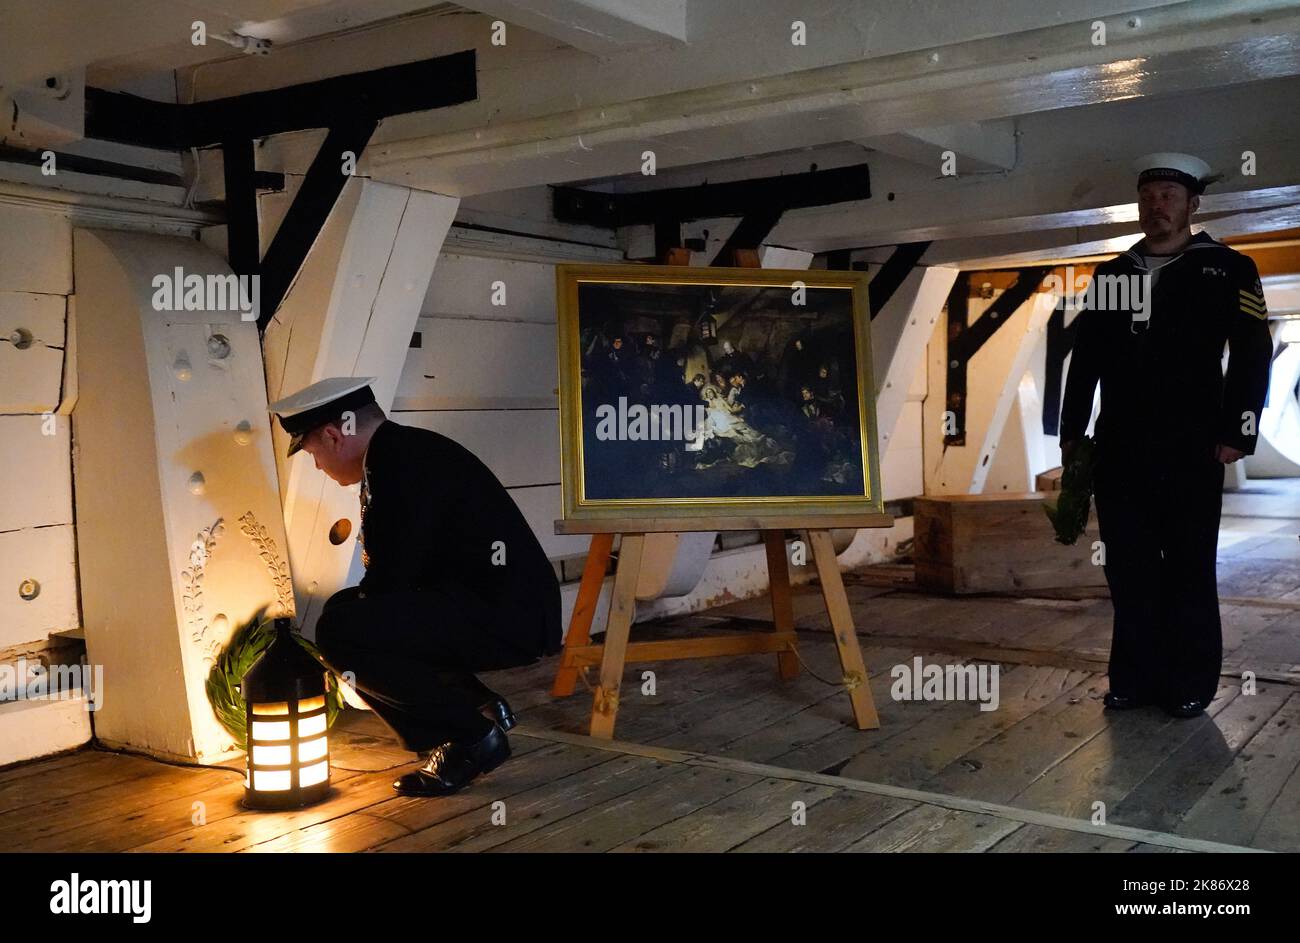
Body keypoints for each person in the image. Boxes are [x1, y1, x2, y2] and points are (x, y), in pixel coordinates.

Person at [268, 377, 562, 795]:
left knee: (340, 631)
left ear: (334, 436)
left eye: (313, 453)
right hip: (496, 605)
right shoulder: (400, 452)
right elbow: (401, 577)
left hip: (506, 616)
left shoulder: (400, 463)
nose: (317, 466)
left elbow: (395, 576)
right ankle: (473, 707)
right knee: (343, 613)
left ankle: (472, 737)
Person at [1059, 153, 1273, 718]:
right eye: (1149, 196)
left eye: (1169, 197)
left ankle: (1190, 683)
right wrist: (1072, 432)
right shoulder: (1113, 273)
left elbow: (1253, 354)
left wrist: (1239, 433)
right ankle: (1132, 678)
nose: (1158, 206)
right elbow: (1086, 359)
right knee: (1127, 567)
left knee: (1189, 565)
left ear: (1192, 205)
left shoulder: (1229, 268)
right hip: (1120, 445)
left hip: (1194, 443)